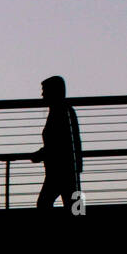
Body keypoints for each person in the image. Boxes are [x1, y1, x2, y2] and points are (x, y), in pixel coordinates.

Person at [31, 75, 82, 210]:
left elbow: (58, 144)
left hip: (60, 170)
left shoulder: (61, 112)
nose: (42, 94)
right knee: (75, 207)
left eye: (44, 90)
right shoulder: (65, 110)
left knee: (44, 203)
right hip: (66, 169)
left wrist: (42, 153)